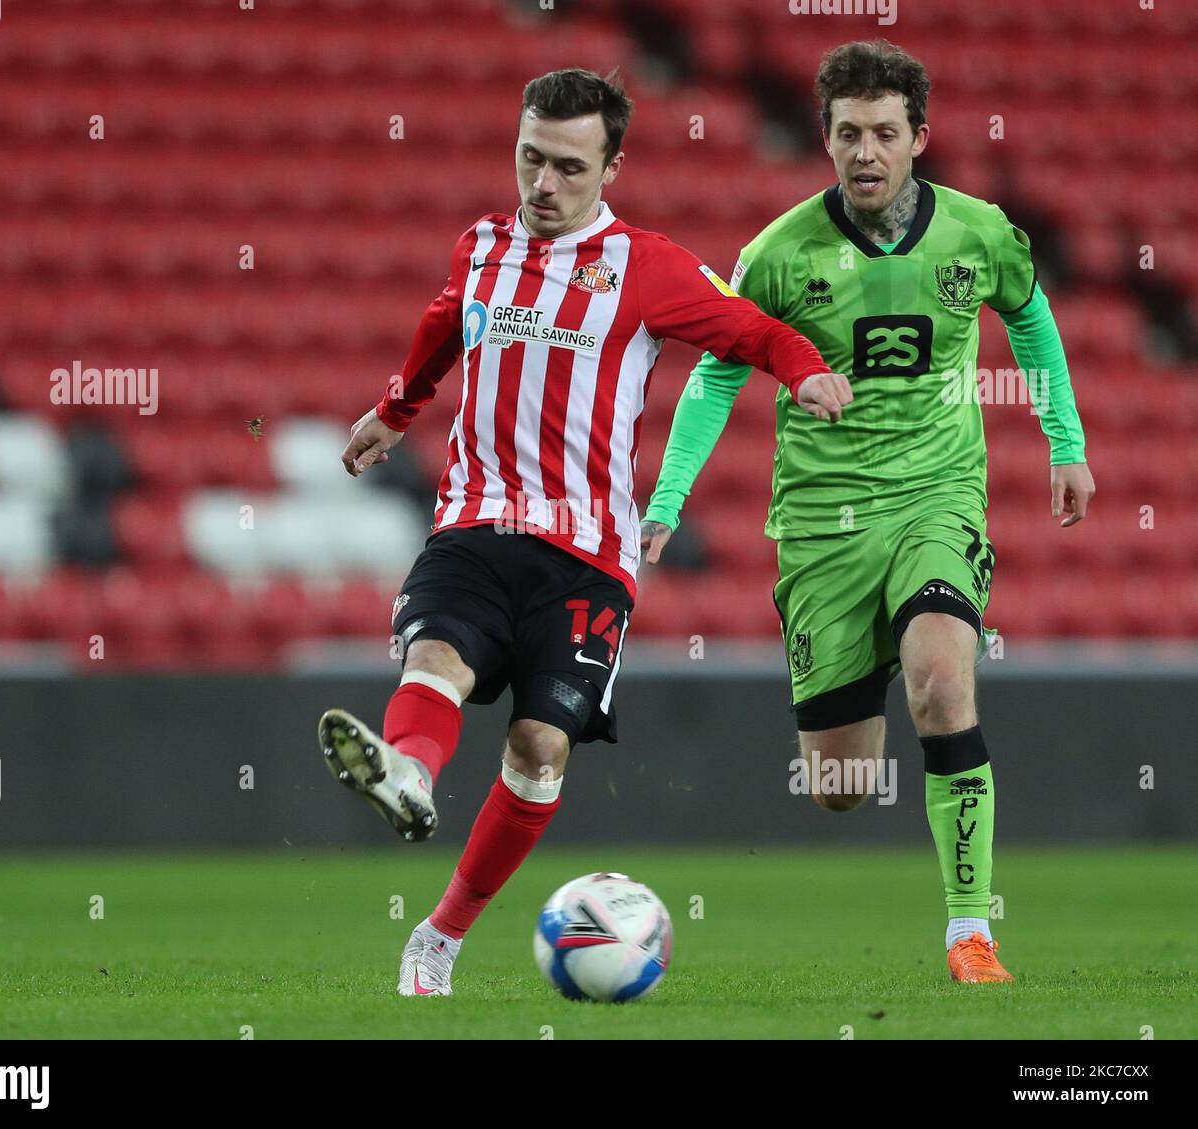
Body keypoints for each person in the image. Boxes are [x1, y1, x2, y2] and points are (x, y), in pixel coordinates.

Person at [323, 67, 841, 996]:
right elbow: (446, 322)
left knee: (540, 751)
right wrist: (397, 410)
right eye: (530, 158)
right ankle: (408, 774)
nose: (543, 184)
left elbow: (752, 329)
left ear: (613, 167)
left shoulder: (648, 266)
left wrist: (803, 370)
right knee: (435, 659)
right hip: (475, 522)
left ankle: (437, 936)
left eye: (568, 165)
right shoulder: (480, 244)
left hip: (587, 556)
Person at [643, 40, 1096, 984]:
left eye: (885, 134)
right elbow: (715, 376)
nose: (865, 153)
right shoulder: (777, 254)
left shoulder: (978, 233)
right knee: (840, 786)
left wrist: (1066, 441)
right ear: (826, 138)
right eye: (848, 134)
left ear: (919, 139)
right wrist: (668, 497)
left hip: (937, 496)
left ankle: (970, 932)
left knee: (940, 682)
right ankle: (881, 641)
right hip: (821, 526)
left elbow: (1033, 317)